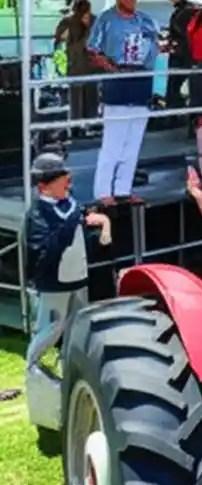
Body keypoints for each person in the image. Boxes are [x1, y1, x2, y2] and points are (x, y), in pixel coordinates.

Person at [22, 153, 110, 429]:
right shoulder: (38, 214)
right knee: (51, 330)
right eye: (64, 180)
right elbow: (42, 253)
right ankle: (36, 375)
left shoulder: (71, 205)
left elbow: (80, 229)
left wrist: (94, 226)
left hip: (78, 282)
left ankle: (73, 375)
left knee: (78, 329)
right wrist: (70, 223)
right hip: (55, 287)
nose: (69, 185)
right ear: (45, 186)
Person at [86, 0, 160, 203]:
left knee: (133, 142)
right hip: (118, 80)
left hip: (141, 80)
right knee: (113, 142)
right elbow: (92, 49)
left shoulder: (145, 20)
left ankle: (123, 189)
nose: (131, 2)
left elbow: (156, 44)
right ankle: (103, 192)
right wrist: (108, 66)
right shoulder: (106, 20)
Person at [53, 0, 98, 122]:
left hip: (87, 65)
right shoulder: (68, 22)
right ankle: (79, 125)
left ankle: (84, 125)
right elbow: (60, 37)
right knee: (79, 99)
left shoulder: (94, 21)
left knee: (88, 98)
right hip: (78, 65)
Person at [165, 0, 197, 110]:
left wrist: (171, 41)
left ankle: (175, 113)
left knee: (172, 87)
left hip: (181, 55)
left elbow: (180, 33)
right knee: (195, 88)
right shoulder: (194, 9)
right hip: (194, 56)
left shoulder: (182, 13)